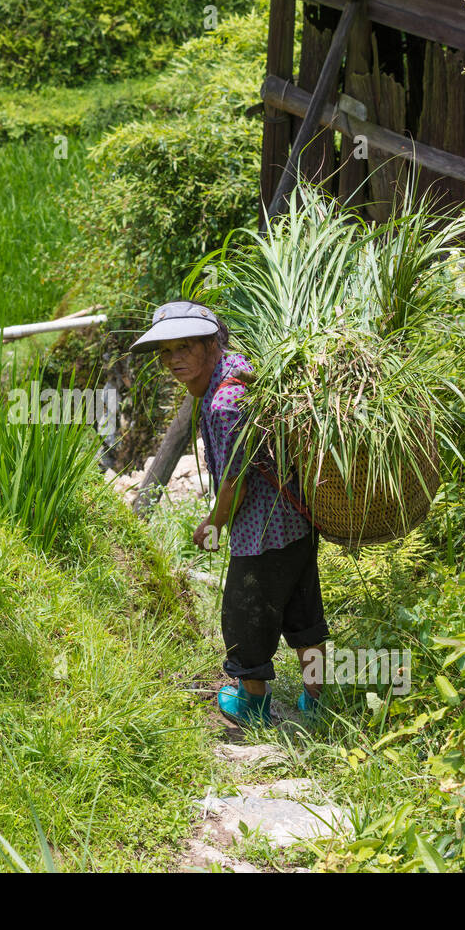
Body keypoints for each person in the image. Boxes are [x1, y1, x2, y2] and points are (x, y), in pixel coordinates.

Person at [130, 301, 328, 727]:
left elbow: (234, 483)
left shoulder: (224, 404)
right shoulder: (241, 369)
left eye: (185, 347)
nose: (173, 361)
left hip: (263, 532)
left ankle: (253, 708)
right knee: (304, 614)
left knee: (244, 622)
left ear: (211, 345)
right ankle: (318, 701)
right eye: (166, 352)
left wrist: (212, 525)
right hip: (297, 523)